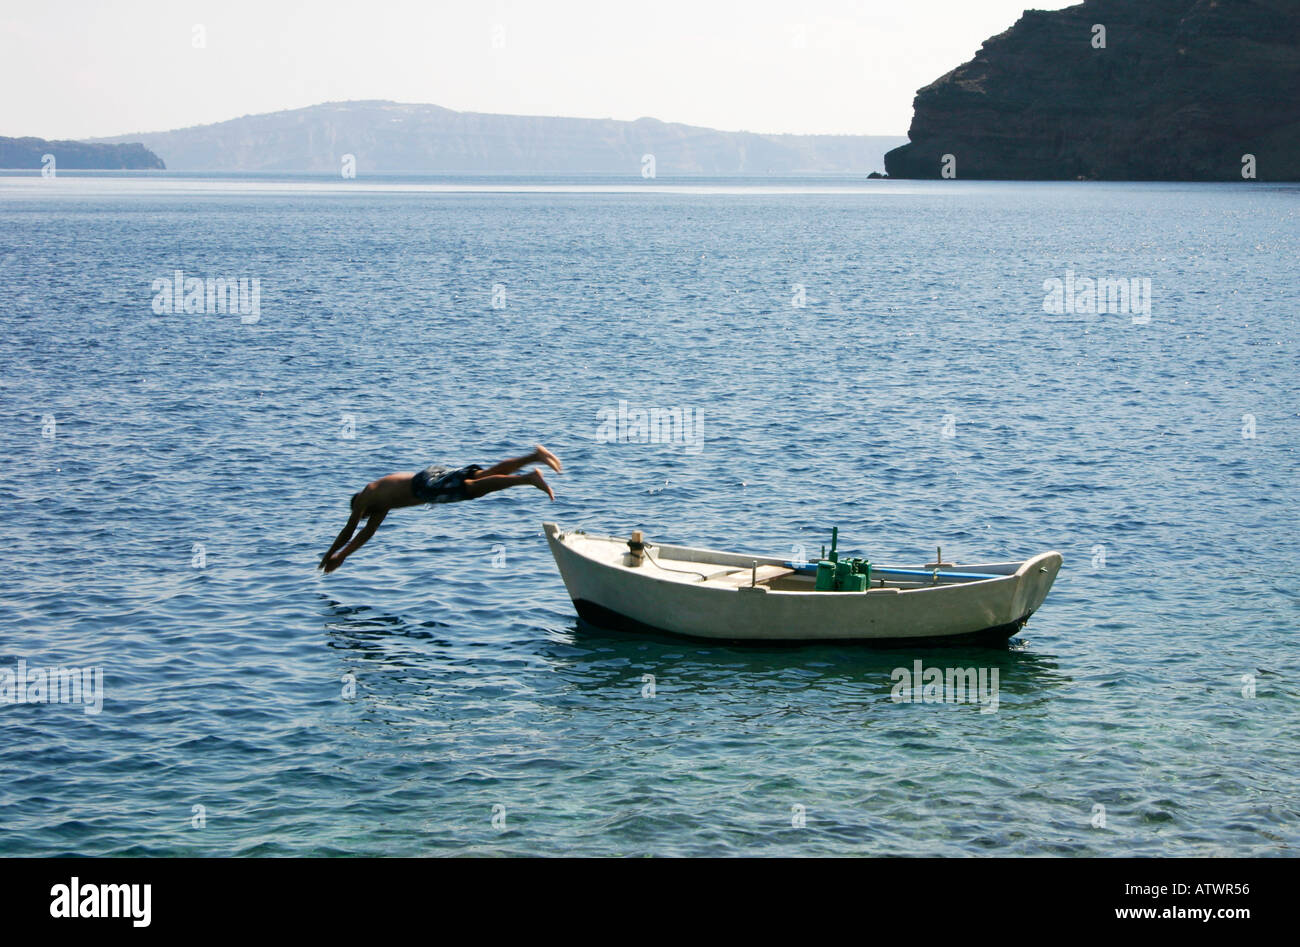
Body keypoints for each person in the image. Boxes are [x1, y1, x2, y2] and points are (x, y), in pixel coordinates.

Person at [319, 444, 562, 574]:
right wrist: (342, 556)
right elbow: (366, 534)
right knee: (483, 475)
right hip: (429, 475)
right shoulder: (379, 505)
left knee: (473, 489)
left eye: (360, 515)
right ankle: (534, 456)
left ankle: (528, 478)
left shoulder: (365, 497)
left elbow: (350, 531)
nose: (362, 518)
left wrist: (332, 554)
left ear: (358, 507)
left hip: (424, 486)